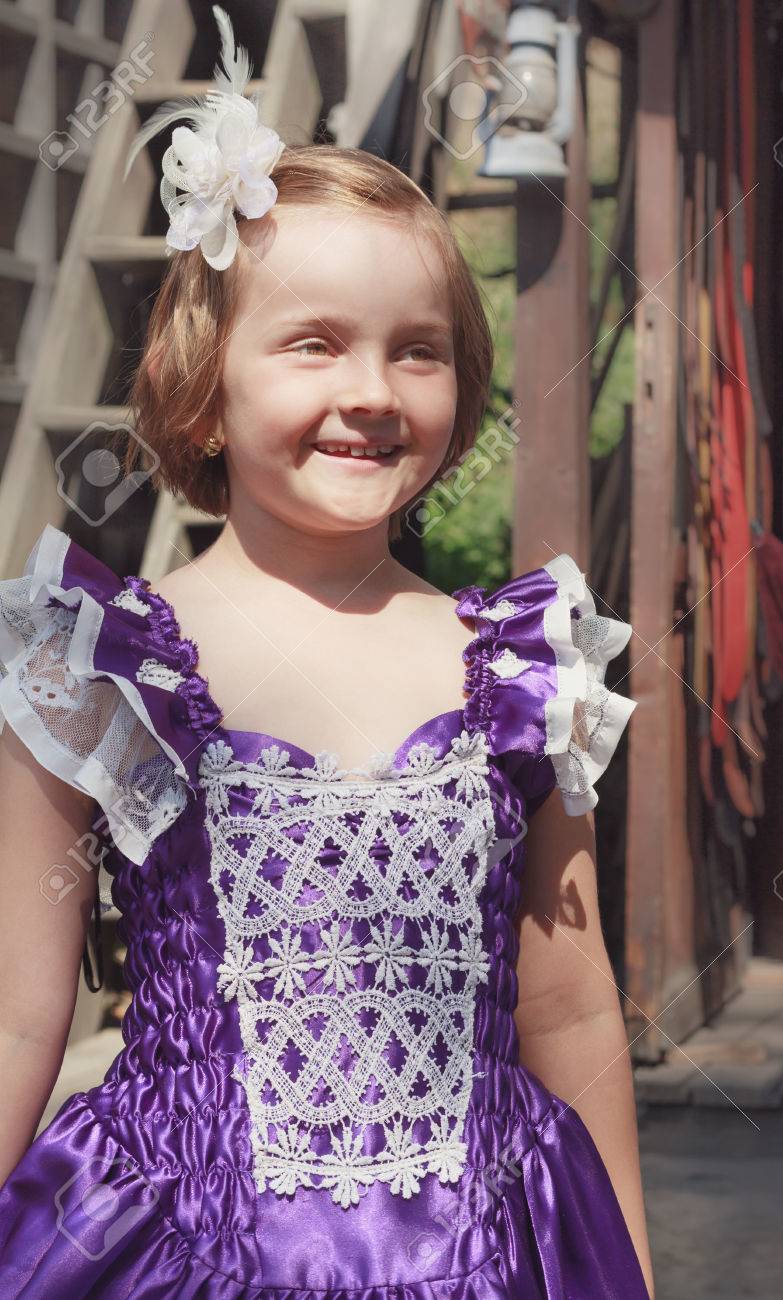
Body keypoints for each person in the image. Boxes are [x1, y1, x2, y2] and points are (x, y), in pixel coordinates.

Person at [0, 8, 654, 1297]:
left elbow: (571, 1012)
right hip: (186, 1249)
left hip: (486, 1253)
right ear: (205, 380)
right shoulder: (106, 663)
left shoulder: (522, 665)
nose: (372, 390)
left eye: (417, 350)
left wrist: (626, 1266)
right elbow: (23, 1007)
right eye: (313, 343)